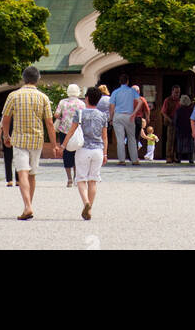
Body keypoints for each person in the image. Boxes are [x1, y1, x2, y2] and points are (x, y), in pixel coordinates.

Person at [0, 66, 59, 221]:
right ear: (38, 79)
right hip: (36, 139)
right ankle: (28, 205)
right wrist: (54, 144)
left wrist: (6, 136)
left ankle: (27, 206)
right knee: (32, 174)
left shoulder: (14, 95)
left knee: (22, 172)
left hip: (19, 139)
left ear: (23, 78)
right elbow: (49, 123)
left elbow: (6, 119)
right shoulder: (43, 97)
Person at [62, 85, 110, 220]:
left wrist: (63, 145)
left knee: (81, 179)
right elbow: (105, 136)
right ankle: (90, 209)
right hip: (98, 150)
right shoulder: (103, 115)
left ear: (87, 98)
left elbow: (71, 131)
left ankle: (86, 203)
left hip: (83, 149)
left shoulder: (80, 113)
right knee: (93, 181)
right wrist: (105, 153)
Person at [54, 83, 83, 188]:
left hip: (64, 130)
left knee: (66, 154)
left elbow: (56, 114)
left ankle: (69, 179)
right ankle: (76, 177)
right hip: (76, 131)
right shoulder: (81, 103)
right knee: (77, 153)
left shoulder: (63, 102)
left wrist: (62, 117)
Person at [109, 73, 139, 165]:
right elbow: (140, 102)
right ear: (127, 81)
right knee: (132, 138)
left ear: (120, 82)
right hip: (129, 115)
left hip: (118, 115)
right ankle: (134, 160)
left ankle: (122, 160)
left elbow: (112, 106)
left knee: (120, 139)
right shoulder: (132, 91)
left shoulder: (115, 92)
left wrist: (111, 118)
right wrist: (134, 113)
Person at [161, 85, 181, 162]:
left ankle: (174, 156)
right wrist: (169, 120)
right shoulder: (168, 100)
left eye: (178, 92)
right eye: (176, 92)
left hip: (178, 122)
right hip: (171, 121)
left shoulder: (179, 101)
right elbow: (163, 112)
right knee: (170, 140)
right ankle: (168, 156)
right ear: (172, 92)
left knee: (176, 140)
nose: (177, 94)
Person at [0, 98, 15, 186]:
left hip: (7, 138)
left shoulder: (5, 115)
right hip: (17, 139)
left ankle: (9, 180)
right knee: (18, 160)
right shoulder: (18, 115)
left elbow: (1, 128)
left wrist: (0, 139)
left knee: (8, 160)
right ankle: (19, 180)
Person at [175, 94, 194, 164]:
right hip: (189, 128)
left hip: (180, 129)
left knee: (180, 143)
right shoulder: (191, 110)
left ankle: (179, 158)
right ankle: (190, 159)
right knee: (190, 144)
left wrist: (176, 127)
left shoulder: (178, 110)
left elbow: (176, 120)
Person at [132, 85, 151, 155]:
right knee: (136, 137)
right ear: (138, 91)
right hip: (138, 119)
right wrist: (147, 117)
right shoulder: (142, 99)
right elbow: (147, 110)